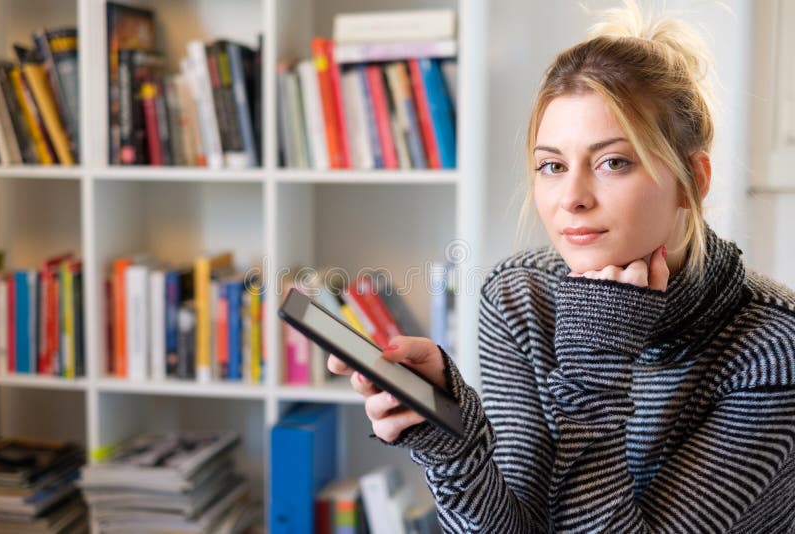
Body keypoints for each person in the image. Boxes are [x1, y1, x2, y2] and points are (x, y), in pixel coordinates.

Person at [328, 2, 795, 532]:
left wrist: (596, 361)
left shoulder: (774, 348)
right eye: (551, 165)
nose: (571, 198)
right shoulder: (519, 296)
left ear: (695, 179)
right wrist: (453, 441)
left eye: (612, 162)